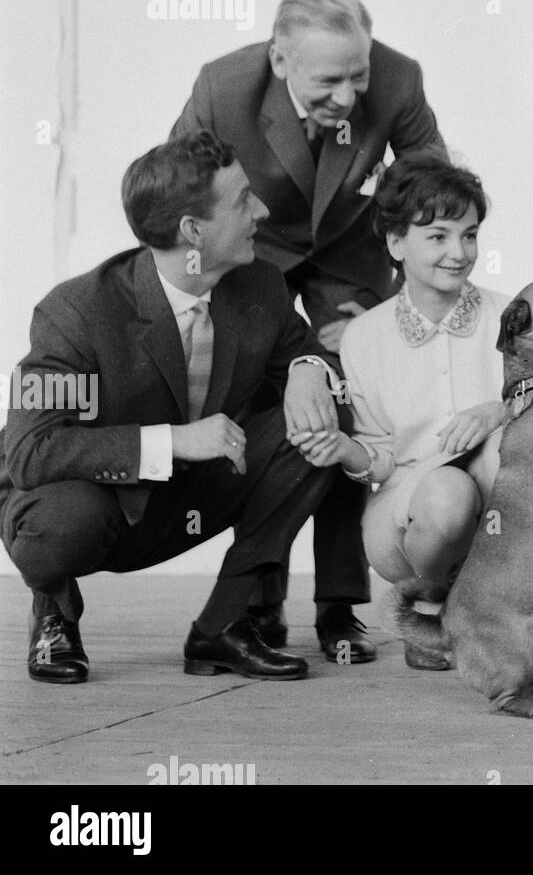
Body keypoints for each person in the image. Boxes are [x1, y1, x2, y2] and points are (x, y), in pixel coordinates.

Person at [171, 0, 448, 663]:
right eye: (330, 81)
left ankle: (339, 609)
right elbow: (178, 200)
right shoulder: (222, 88)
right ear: (279, 58)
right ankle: (259, 608)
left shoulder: (399, 77)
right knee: (271, 413)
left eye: (359, 77)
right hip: (251, 249)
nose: (351, 98)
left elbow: (434, 196)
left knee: (347, 404)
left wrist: (395, 308)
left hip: (349, 251)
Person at [0, 130, 337, 683]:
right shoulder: (74, 311)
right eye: (242, 200)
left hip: (193, 494)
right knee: (59, 527)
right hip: (96, 505)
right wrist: (174, 441)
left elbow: (309, 353)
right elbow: (30, 452)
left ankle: (221, 628)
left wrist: (307, 371)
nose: (264, 209)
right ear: (193, 231)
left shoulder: (260, 287)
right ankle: (54, 615)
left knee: (318, 428)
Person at [296, 155, 510, 670]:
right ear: (396, 244)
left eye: (469, 235)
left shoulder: (509, 317)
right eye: (437, 237)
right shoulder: (366, 336)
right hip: (406, 524)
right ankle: (430, 606)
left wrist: (498, 410)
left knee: (515, 452)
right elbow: (382, 459)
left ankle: (492, 607)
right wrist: (345, 449)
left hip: (496, 510)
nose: (458, 253)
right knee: (446, 493)